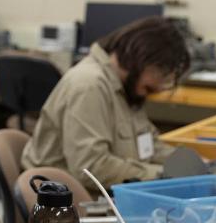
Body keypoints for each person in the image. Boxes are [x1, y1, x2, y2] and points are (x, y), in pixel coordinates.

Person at [21, 16, 191, 191]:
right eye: (161, 73)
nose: (161, 85)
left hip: (102, 191)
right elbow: (92, 168)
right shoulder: (89, 85)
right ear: (140, 59)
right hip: (68, 200)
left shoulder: (128, 87)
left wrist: (190, 166)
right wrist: (163, 176)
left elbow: (147, 144)